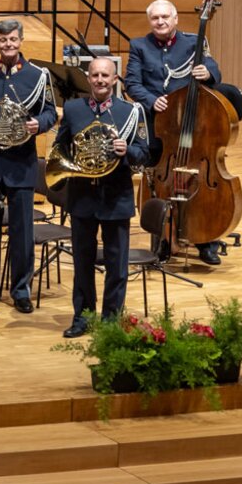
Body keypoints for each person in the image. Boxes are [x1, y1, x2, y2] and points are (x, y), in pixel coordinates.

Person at [125, 0, 242, 264]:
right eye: (155, 18)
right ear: (150, 21)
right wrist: (150, 99)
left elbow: (214, 69)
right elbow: (132, 83)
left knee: (201, 178)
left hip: (195, 123)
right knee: (161, 179)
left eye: (165, 17)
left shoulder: (194, 42)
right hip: (162, 125)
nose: (160, 22)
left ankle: (207, 240)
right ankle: (165, 237)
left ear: (175, 19)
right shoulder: (139, 46)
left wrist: (207, 72)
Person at [58, 55, 149, 337]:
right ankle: (83, 318)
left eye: (105, 76)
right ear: (88, 78)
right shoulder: (73, 109)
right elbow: (60, 148)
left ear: (114, 79)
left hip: (116, 198)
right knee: (82, 262)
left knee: (116, 266)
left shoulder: (131, 112)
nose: (99, 80)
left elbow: (145, 154)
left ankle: (110, 322)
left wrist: (128, 151)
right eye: (95, 75)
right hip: (83, 197)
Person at [0, 18, 56, 313]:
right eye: (3, 40)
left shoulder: (37, 75)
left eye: (13, 40)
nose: (8, 44)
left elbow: (49, 112)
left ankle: (21, 290)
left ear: (21, 41)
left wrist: (39, 124)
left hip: (21, 162)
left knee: (22, 231)